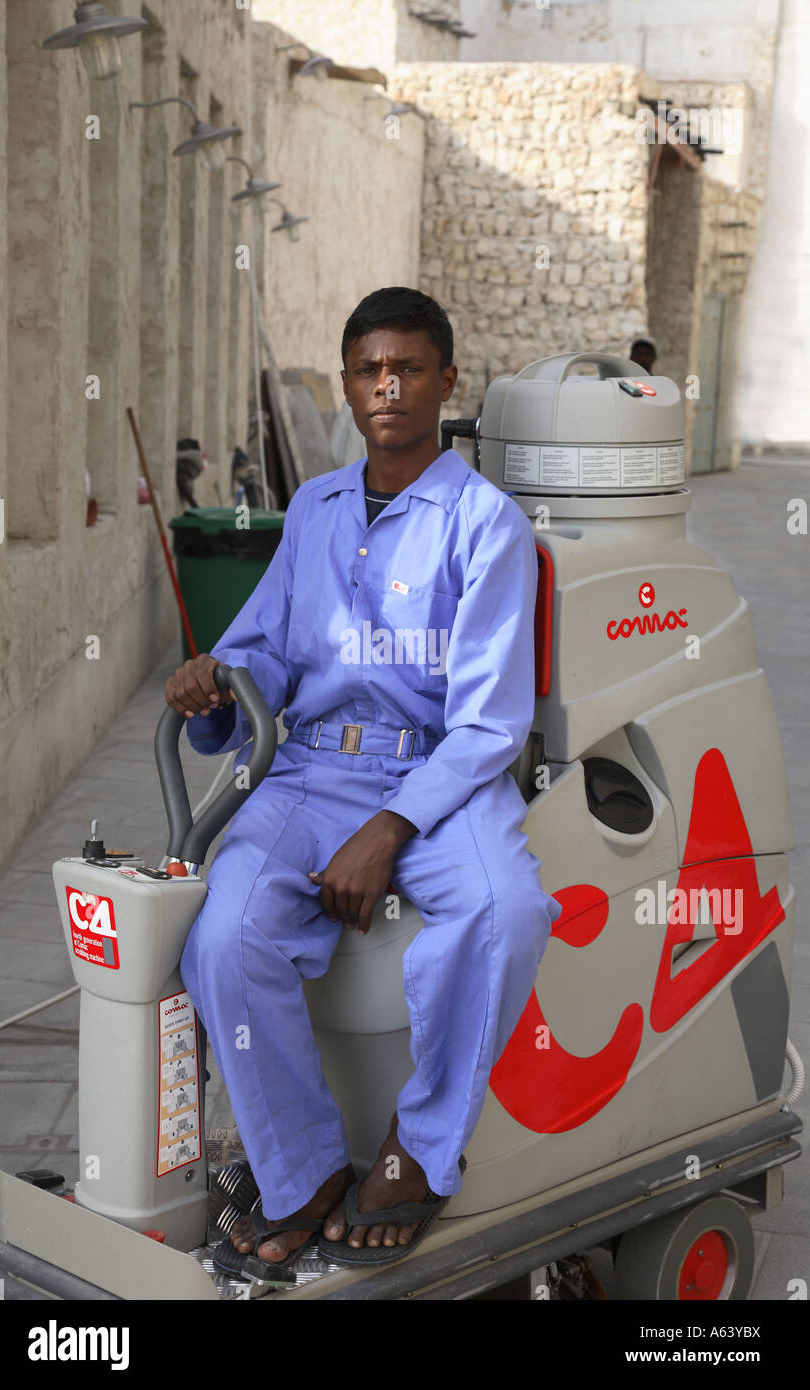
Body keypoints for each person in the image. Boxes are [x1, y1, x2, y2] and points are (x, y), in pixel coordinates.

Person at [166, 286, 562, 1280]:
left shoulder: (486, 524)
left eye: (408, 368)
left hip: (440, 775)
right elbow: (259, 654)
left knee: (507, 908)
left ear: (444, 379)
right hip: (309, 768)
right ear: (348, 383)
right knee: (222, 931)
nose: (386, 386)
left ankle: (416, 1150)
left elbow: (488, 725)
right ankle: (300, 1172)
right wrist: (212, 681)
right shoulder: (313, 508)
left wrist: (388, 828)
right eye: (367, 369)